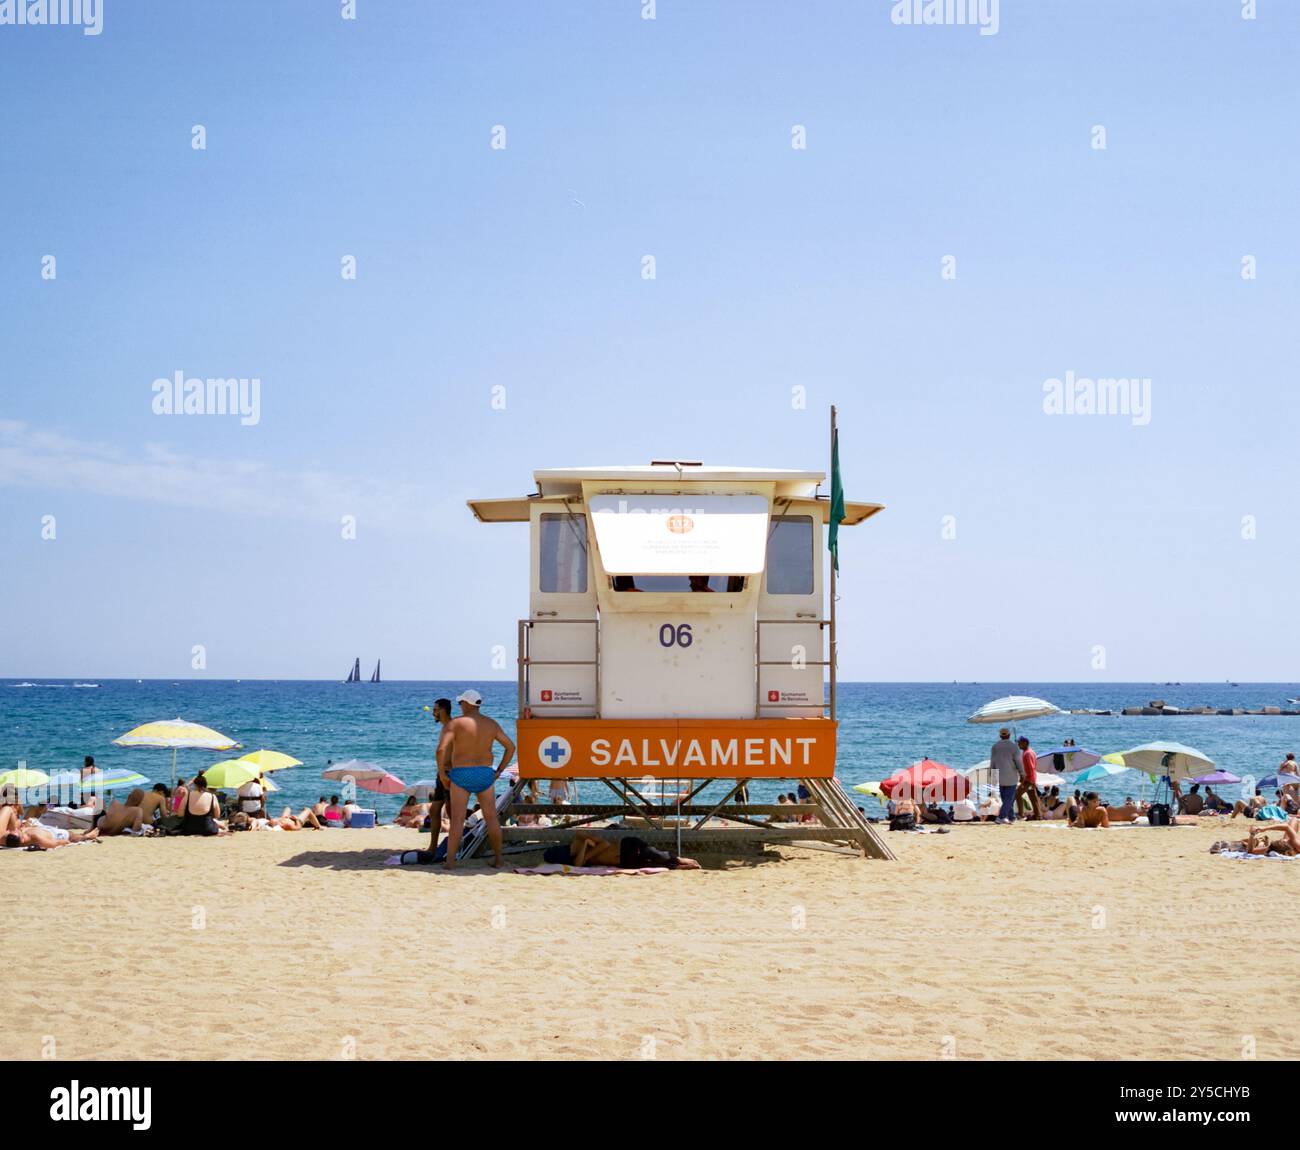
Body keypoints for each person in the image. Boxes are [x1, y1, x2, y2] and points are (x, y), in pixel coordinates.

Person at [439, 689, 513, 869]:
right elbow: (510, 747)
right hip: (485, 774)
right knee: (491, 819)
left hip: (461, 773)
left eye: (460, 703)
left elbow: (440, 750)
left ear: (466, 704)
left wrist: (442, 774)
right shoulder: (491, 724)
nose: (460, 706)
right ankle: (498, 859)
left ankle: (450, 863)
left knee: (457, 820)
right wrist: (500, 770)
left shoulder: (456, 723)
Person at [541, 830, 699, 869]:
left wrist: (586, 847)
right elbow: (579, 864)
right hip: (623, 862)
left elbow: (605, 844)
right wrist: (586, 849)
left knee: (655, 854)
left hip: (626, 846)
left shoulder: (579, 838)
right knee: (653, 865)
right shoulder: (576, 858)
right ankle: (680, 866)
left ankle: (680, 860)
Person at [990, 728, 1024, 824]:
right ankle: (1001, 816)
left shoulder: (995, 747)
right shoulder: (1014, 747)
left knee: (1006, 798)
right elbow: (1018, 762)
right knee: (1009, 799)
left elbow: (992, 762)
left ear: (1000, 736)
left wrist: (993, 776)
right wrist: (1022, 773)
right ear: (1009, 735)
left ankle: (1012, 817)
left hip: (1000, 776)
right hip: (1011, 776)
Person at [1014, 736, 1043, 820]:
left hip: (1028, 780)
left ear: (1025, 743)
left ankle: (1021, 814)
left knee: (1018, 794)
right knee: (1033, 797)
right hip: (1031, 779)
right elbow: (1033, 767)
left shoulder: (1027, 753)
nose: (1018, 744)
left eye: (1020, 743)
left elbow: (1031, 768)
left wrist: (1025, 779)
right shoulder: (1031, 752)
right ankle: (1038, 815)